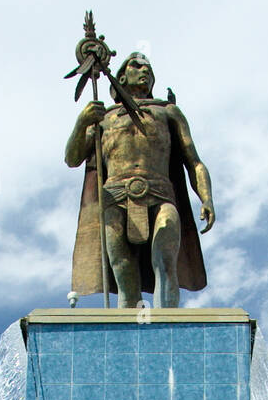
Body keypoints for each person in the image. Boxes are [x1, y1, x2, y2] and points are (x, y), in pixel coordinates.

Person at [65, 53, 215, 307]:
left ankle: (166, 330)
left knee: (166, 261)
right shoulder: (103, 117)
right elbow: (72, 158)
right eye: (137, 65)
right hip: (115, 196)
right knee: (124, 274)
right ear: (121, 76)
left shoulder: (167, 112)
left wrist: (207, 198)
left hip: (160, 193)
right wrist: (81, 123)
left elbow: (194, 161)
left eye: (149, 67)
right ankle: (128, 338)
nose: (145, 70)